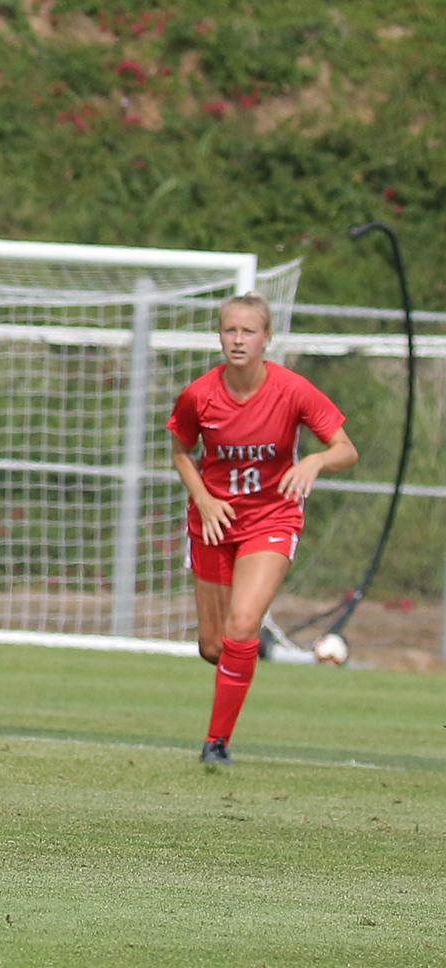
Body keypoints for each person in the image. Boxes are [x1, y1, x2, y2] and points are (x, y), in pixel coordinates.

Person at [168, 292, 355, 766]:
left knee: (242, 623)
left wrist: (314, 460)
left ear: (267, 338)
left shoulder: (292, 390)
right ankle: (248, 651)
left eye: (248, 331)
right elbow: (180, 452)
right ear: (219, 335)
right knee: (215, 646)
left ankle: (217, 744)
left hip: (271, 519)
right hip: (214, 523)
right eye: (230, 330)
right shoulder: (199, 394)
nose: (238, 339)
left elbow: (344, 449)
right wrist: (205, 499)